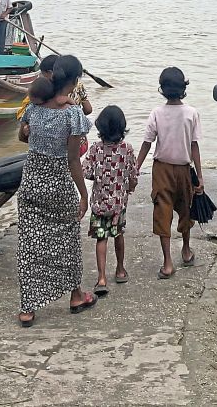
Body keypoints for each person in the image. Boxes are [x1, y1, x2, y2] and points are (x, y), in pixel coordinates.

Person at [17, 55, 96, 326]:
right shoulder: (73, 114)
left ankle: (27, 308)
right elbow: (73, 160)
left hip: (31, 182)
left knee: (30, 244)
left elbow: (23, 136)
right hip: (58, 184)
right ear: (75, 81)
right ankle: (75, 296)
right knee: (68, 239)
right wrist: (84, 195)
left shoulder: (33, 108)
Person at [136, 67, 203, 280]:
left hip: (161, 169)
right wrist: (200, 176)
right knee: (186, 209)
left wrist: (136, 168)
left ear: (162, 89)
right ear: (183, 88)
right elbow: (194, 146)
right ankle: (186, 249)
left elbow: (147, 143)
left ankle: (167, 263)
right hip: (184, 169)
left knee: (162, 212)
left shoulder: (157, 113)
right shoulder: (191, 113)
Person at [82, 105, 138, 295]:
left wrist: (99, 176)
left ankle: (101, 278)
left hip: (99, 204)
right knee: (119, 235)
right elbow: (133, 175)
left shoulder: (95, 149)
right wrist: (130, 187)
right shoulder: (126, 149)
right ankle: (120, 270)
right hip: (118, 204)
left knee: (101, 238)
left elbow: (85, 172)